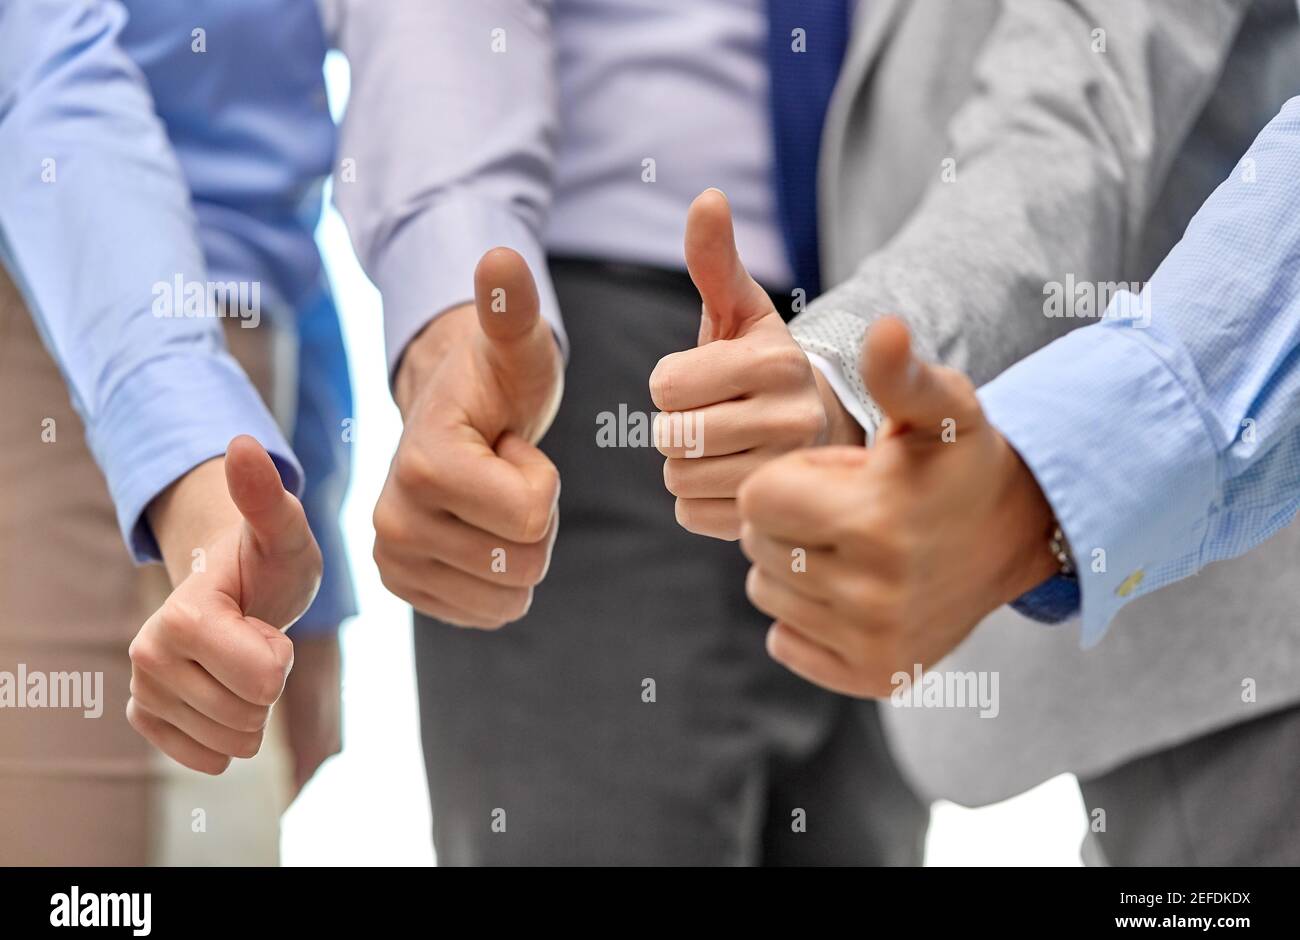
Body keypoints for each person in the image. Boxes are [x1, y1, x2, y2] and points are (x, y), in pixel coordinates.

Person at [328, 0, 1286, 863]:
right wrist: (452, 315)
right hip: (599, 347)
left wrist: (840, 370)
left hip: (900, 349)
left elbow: (1077, 88)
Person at [675, 4, 1300, 866]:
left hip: (1252, 665)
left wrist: (1046, 480)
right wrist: (836, 380)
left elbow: (1072, 111)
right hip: (1162, 674)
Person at [0, 0, 353, 863]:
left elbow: (279, 204)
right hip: (91, 380)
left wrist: (311, 574)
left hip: (175, 396)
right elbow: (40, 67)